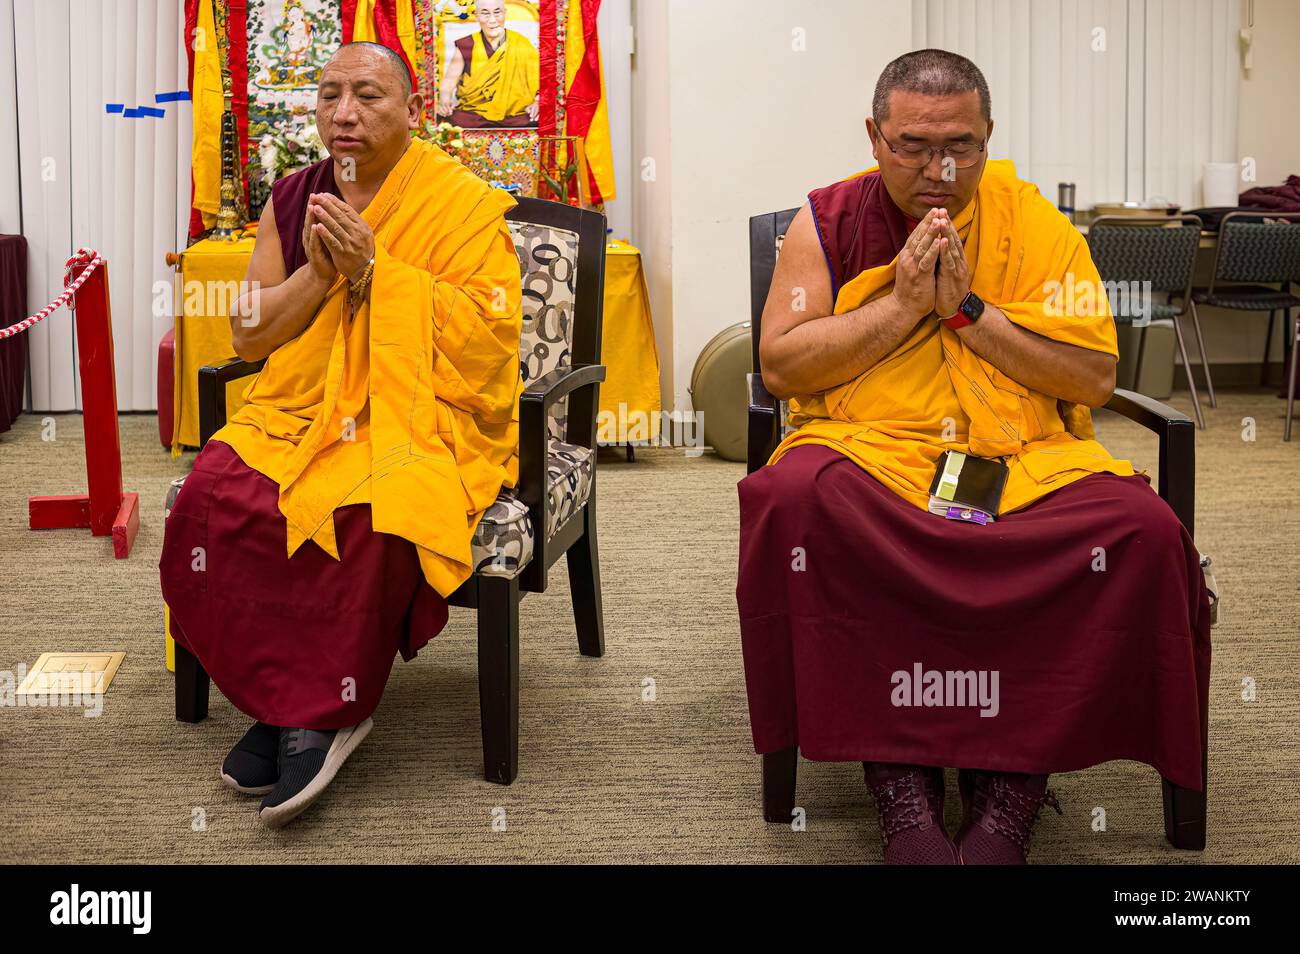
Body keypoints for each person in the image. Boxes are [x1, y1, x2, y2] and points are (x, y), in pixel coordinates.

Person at [737, 49, 1211, 864]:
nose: (939, 168)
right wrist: (902, 307)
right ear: (874, 136)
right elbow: (782, 368)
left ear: (989, 136)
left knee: (1139, 529)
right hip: (871, 450)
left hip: (1022, 451)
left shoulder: (1037, 227)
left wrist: (966, 312)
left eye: (960, 145)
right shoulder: (828, 223)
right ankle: (900, 777)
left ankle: (1013, 785)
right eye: (914, 146)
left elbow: (1094, 377)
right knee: (794, 499)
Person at [160, 41, 523, 828]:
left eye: (368, 94)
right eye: (329, 96)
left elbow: (490, 341)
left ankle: (332, 708)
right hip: (301, 405)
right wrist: (321, 276)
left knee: (364, 506)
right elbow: (251, 338)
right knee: (217, 494)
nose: (344, 113)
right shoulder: (294, 198)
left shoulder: (458, 201)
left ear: (414, 110)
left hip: (420, 412)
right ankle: (282, 695)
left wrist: (378, 276)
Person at [437, 0, 540, 128]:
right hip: (476, 114)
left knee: (538, 117)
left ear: (505, 14)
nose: (492, 20)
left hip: (515, 114)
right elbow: (449, 82)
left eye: (497, 13)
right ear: (477, 16)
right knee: (451, 118)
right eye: (485, 14)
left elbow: (542, 81)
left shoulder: (522, 43)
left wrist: (538, 102)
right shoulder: (467, 44)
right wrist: (444, 100)